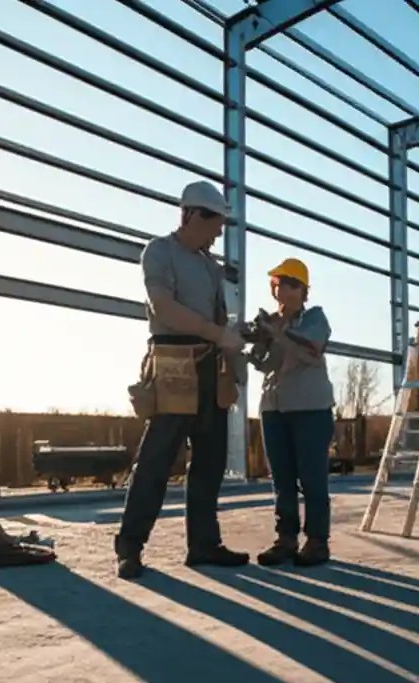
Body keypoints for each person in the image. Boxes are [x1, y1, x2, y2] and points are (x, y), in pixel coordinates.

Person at [114, 180, 249, 580]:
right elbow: (164, 308)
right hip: (173, 361)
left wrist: (234, 355)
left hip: (210, 366)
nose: (220, 231)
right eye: (215, 222)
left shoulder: (210, 267)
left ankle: (203, 544)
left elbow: (219, 321)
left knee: (209, 460)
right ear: (190, 215)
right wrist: (216, 334)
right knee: (156, 459)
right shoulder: (159, 252)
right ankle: (130, 547)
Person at [247, 258, 336, 567]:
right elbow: (264, 364)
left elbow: (310, 350)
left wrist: (278, 334)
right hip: (274, 408)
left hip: (310, 409)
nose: (279, 288)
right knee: (282, 479)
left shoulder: (314, 319)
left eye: (286, 283)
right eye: (276, 283)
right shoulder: (273, 322)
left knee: (312, 477)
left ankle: (317, 540)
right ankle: (286, 538)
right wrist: (258, 340)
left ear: (301, 289)